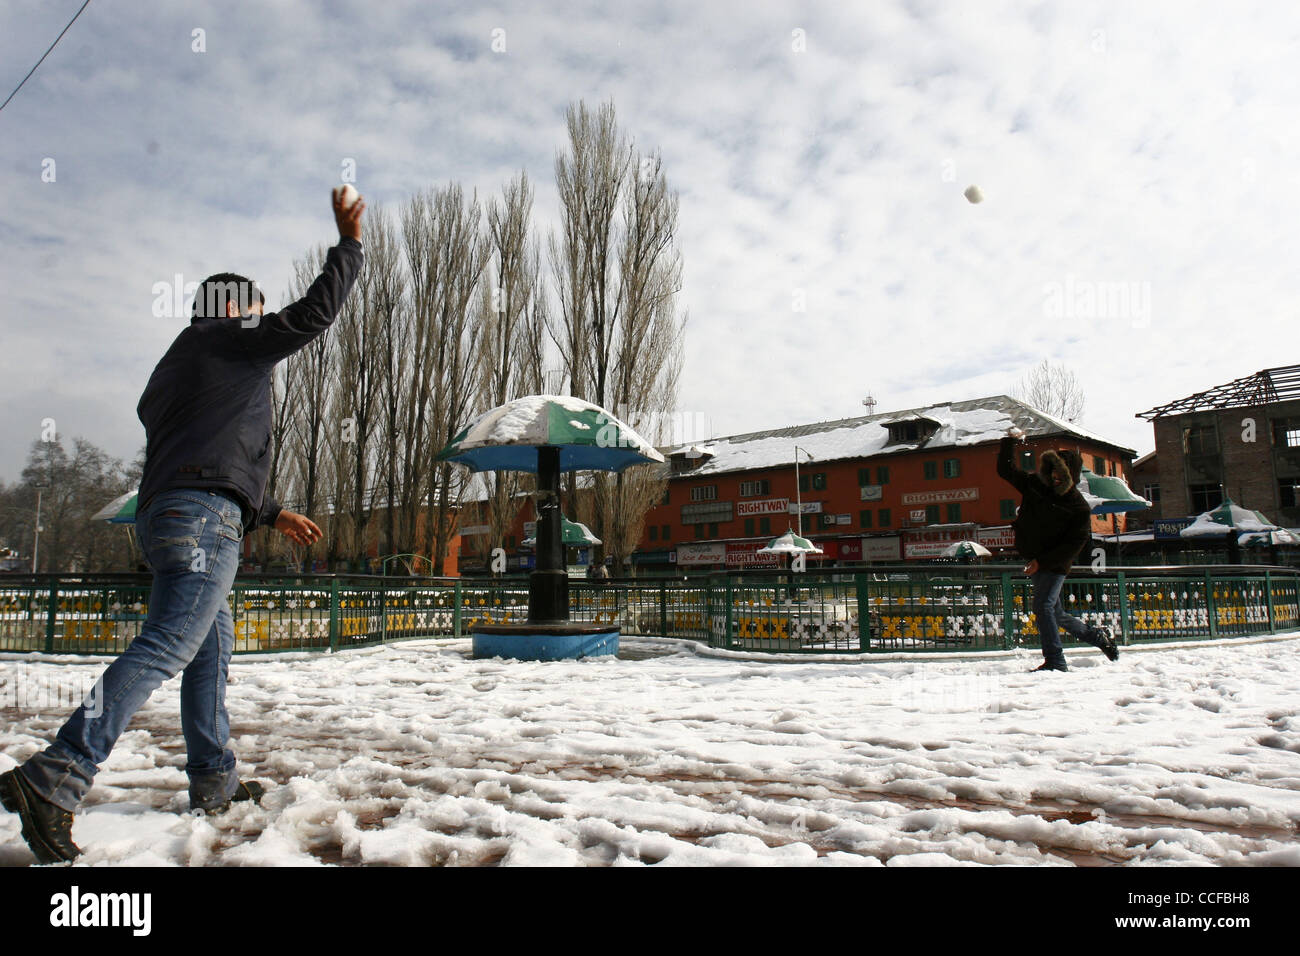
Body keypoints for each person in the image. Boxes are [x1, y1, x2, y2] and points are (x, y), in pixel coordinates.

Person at [0, 190, 365, 863]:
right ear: (231, 308)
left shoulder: (175, 369)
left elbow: (202, 452)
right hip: (202, 523)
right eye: (255, 305)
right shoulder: (228, 339)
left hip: (173, 514)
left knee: (210, 648)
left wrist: (270, 511)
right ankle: (54, 777)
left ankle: (213, 781)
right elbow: (312, 316)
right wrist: (347, 244)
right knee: (169, 646)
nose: (263, 316)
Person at [997, 426, 1119, 672]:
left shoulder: (1078, 507)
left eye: (1060, 475)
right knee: (1055, 613)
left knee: (1043, 607)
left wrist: (1042, 562)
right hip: (1036, 557)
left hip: (1056, 562)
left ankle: (1055, 660)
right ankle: (1098, 637)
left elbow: (1075, 543)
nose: (1054, 478)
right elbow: (1005, 470)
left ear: (1070, 477)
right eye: (1052, 472)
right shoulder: (1034, 485)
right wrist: (1010, 442)